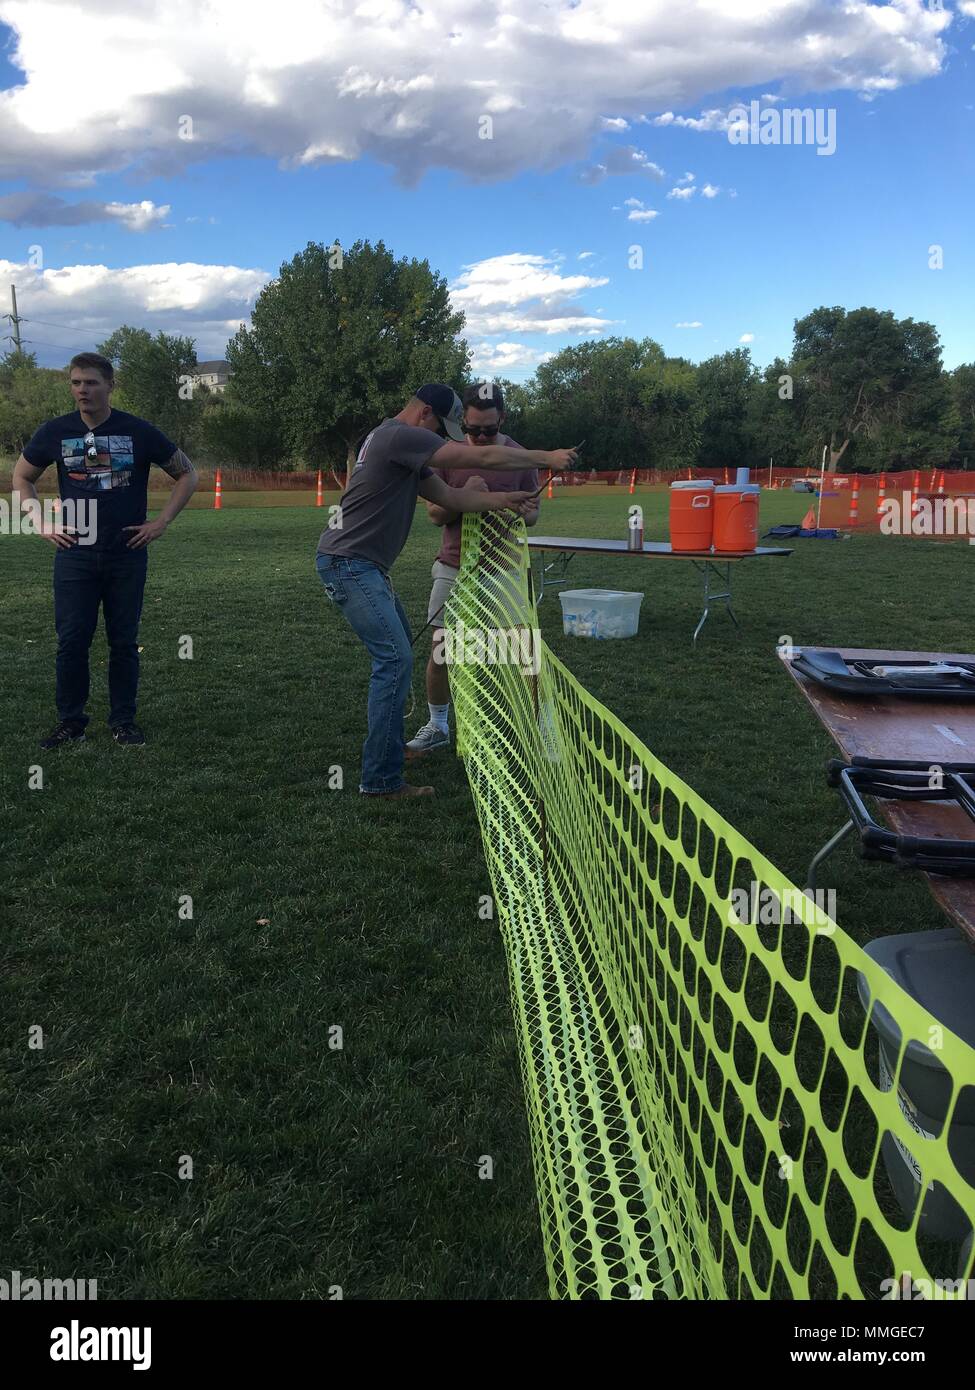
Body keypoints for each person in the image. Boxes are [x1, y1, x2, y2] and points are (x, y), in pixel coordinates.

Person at [315, 383, 576, 799]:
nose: (445, 438)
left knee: (400, 657)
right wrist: (547, 458)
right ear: (425, 414)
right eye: (446, 428)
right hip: (350, 564)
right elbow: (481, 457)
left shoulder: (390, 441)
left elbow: (450, 496)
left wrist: (507, 498)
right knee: (397, 661)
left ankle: (386, 756)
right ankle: (381, 780)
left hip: (363, 567)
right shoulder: (401, 436)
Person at [12, 351, 198, 748]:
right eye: (77, 382)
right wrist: (40, 523)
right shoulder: (55, 432)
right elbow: (22, 475)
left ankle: (123, 721)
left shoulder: (139, 431)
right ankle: (71, 721)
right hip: (74, 555)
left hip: (126, 552)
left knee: (124, 641)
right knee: (72, 641)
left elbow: (187, 473)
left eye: (92, 382)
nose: (83, 390)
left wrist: (161, 522)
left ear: (110, 386)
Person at [407, 382, 539, 757]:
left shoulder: (519, 456)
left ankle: (537, 724)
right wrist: (468, 492)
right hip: (454, 565)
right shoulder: (446, 455)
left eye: (489, 430)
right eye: (473, 429)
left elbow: (533, 514)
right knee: (442, 651)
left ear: (503, 420)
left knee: (523, 649)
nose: (480, 437)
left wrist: (527, 513)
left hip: (505, 567)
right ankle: (438, 724)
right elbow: (435, 515)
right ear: (461, 421)